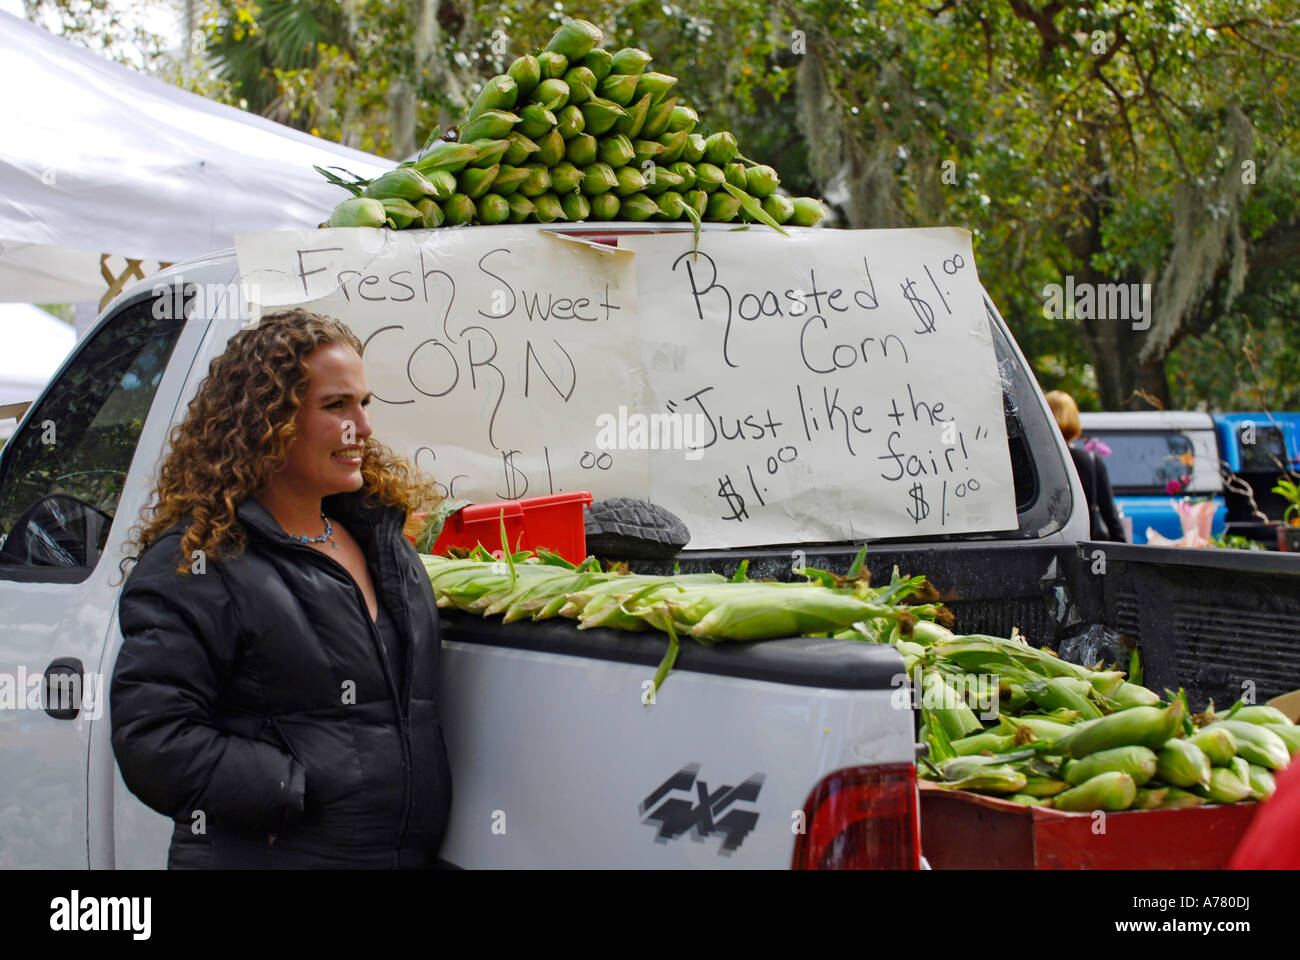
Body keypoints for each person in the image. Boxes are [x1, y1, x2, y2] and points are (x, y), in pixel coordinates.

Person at [110, 308, 451, 869]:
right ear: (266, 420)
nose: (361, 428)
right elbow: (153, 739)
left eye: (364, 404)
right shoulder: (200, 560)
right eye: (336, 405)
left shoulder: (383, 545)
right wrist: (293, 788)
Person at [1044, 390, 1126, 542]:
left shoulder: (1039, 462)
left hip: (1048, 543)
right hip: (1086, 545)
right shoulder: (1091, 461)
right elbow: (1110, 515)